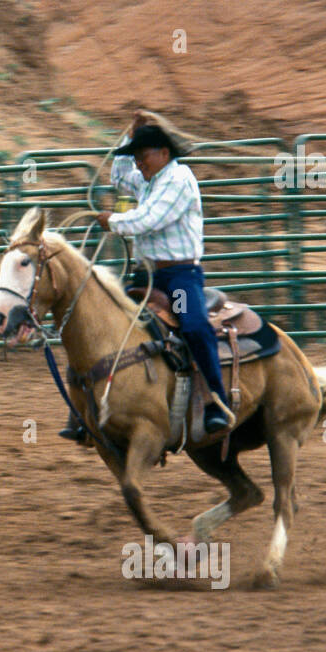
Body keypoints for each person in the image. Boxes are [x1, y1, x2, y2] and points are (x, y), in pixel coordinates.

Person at [59, 117, 234, 442]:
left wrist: (114, 220)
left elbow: (148, 220)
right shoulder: (149, 179)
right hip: (147, 275)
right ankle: (84, 409)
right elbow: (120, 178)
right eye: (136, 157)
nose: (139, 163)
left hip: (180, 276)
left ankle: (216, 402)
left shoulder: (179, 179)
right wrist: (129, 139)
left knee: (193, 325)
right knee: (99, 322)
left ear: (164, 152)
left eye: (143, 155)